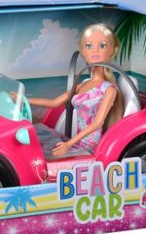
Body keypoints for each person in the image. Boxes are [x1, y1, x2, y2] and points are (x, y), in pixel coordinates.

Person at [27, 23, 124, 157]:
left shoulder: (109, 89)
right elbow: (54, 103)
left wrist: (69, 144)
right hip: (76, 141)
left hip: (90, 145)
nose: (95, 51)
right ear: (83, 52)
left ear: (112, 51)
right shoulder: (82, 85)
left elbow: (97, 124)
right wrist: (22, 99)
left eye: (102, 45)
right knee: (35, 145)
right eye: (88, 46)